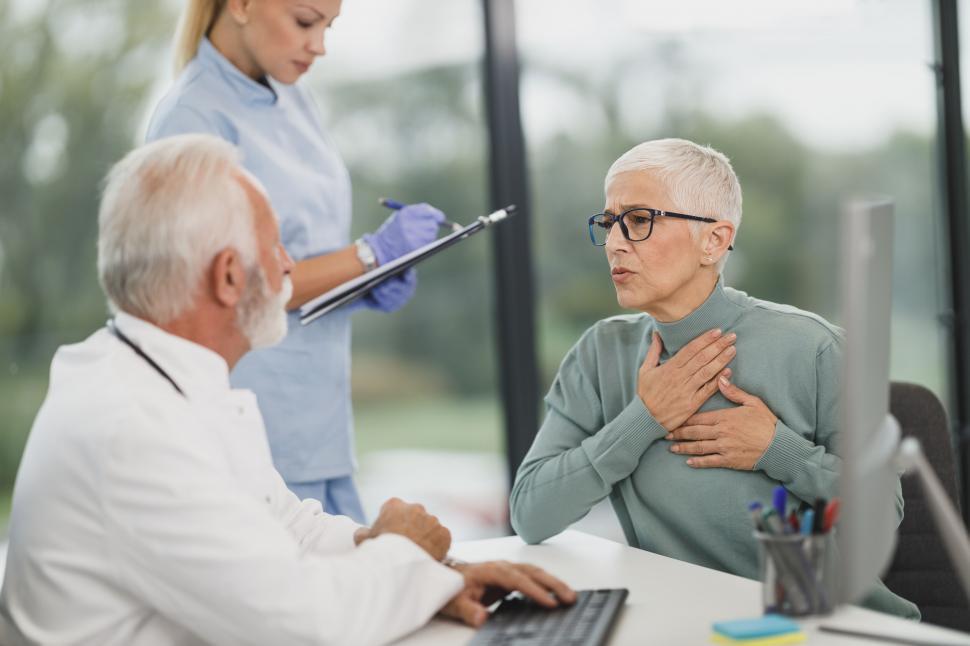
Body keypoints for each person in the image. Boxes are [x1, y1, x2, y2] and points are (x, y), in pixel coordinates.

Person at [0, 135, 575, 646]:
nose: (287, 269)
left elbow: (284, 526)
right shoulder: (130, 430)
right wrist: (401, 551)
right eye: (277, 249)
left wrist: (433, 573)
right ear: (228, 276)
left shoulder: (159, 380)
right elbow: (306, 624)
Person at [508, 138, 918, 618]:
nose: (614, 242)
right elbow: (531, 515)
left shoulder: (816, 347)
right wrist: (645, 418)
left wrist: (778, 450)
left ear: (715, 240)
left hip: (825, 625)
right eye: (608, 222)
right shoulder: (601, 352)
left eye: (639, 220)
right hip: (684, 622)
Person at [144, 0, 444, 521]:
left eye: (329, 26)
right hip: (256, 415)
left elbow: (298, 256)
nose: (320, 46)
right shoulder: (191, 118)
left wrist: (364, 280)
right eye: (306, 22)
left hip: (320, 419)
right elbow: (223, 287)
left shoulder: (295, 99)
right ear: (239, 5)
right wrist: (369, 255)